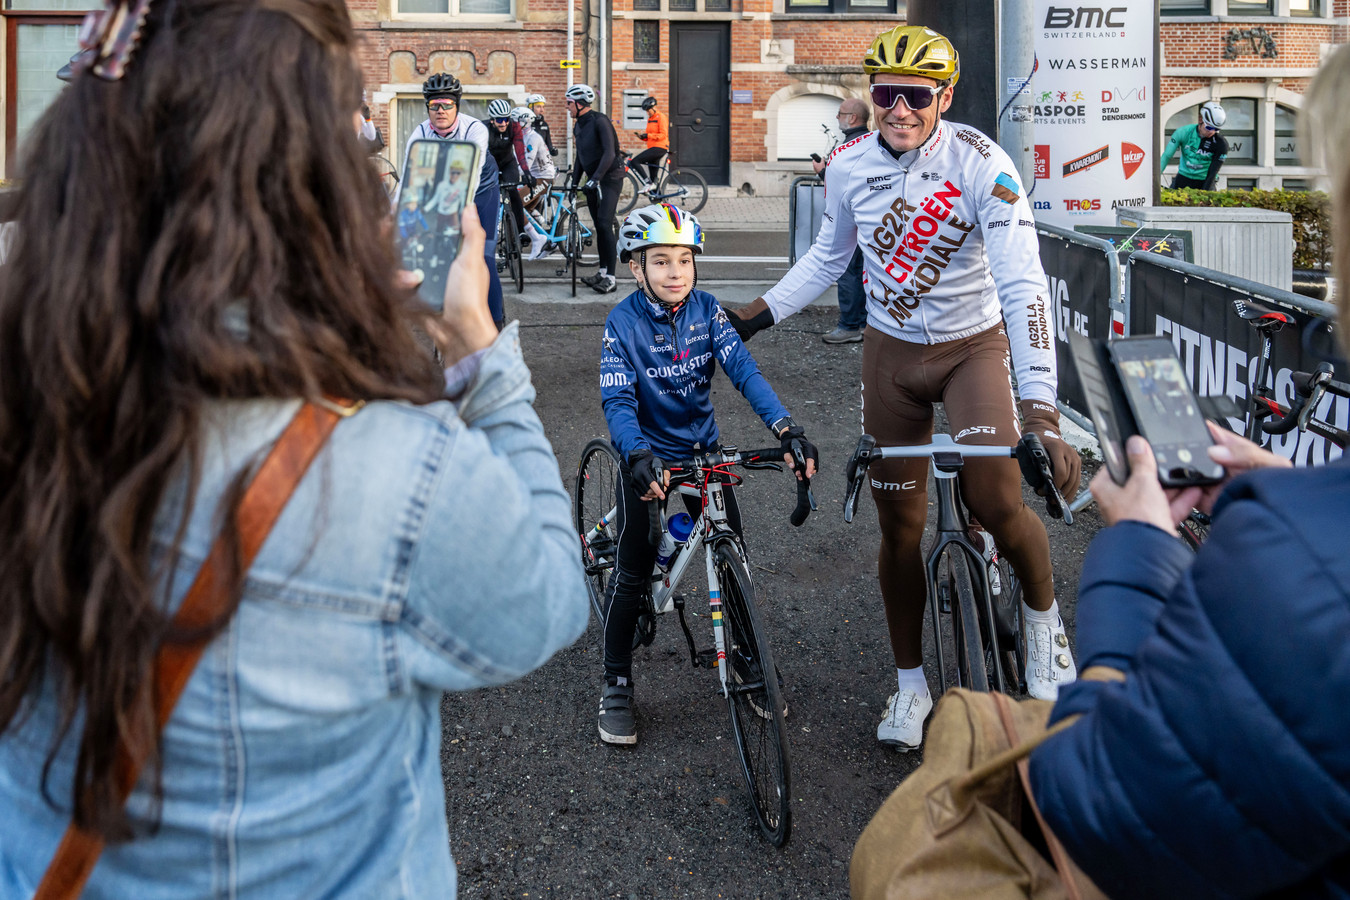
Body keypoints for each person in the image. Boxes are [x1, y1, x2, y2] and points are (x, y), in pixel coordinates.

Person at [0, 0, 589, 894]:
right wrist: (477, 351)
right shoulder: (393, 462)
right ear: (307, 174)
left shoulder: (29, 377)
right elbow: (545, 600)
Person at [1026, 48, 1350, 898]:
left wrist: (1134, 551)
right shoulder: (1303, 529)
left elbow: (1101, 799)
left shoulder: (1290, 558)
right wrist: (1294, 485)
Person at [726, 25, 1082, 750]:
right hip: (891, 356)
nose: (899, 110)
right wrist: (760, 314)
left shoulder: (983, 162)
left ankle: (1046, 626)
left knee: (994, 496)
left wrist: (1041, 408)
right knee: (900, 529)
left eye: (916, 96)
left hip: (970, 349)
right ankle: (910, 686)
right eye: (886, 94)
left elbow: (1022, 285)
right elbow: (830, 255)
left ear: (944, 97)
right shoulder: (849, 165)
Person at [596, 203, 820, 744]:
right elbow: (619, 401)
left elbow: (744, 370)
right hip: (647, 457)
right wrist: (635, 455)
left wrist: (786, 429)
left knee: (732, 551)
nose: (676, 272)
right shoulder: (621, 323)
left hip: (703, 454)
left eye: (684, 261)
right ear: (636, 268)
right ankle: (617, 681)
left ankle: (747, 656)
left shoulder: (708, 312)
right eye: (661, 261)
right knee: (633, 568)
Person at [401, 73, 507, 328]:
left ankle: (496, 322)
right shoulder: (421, 132)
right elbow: (408, 178)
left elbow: (471, 177)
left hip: (481, 187)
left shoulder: (474, 129)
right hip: (443, 184)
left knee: (484, 255)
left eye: (446, 104)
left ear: (456, 106)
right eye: (434, 105)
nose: (440, 110)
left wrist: (457, 214)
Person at [815, 97, 871, 345]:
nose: (837, 117)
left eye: (840, 113)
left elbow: (842, 186)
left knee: (848, 272)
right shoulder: (873, 143)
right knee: (864, 272)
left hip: (850, 220)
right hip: (870, 220)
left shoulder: (847, 148)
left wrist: (822, 171)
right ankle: (864, 324)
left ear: (852, 118)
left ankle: (849, 325)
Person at [566, 83, 625, 295]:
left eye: (569, 103)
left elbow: (609, 153)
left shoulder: (600, 121)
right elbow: (581, 157)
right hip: (593, 179)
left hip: (610, 177)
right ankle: (601, 272)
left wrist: (597, 178)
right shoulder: (578, 125)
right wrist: (574, 182)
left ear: (580, 104)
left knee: (604, 222)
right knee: (599, 227)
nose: (568, 107)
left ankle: (611, 278)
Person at [486, 97, 534, 251]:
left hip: (508, 163)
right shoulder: (483, 129)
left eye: (506, 119)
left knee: (513, 193)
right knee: (489, 194)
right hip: (490, 164)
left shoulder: (514, 127)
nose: (503, 123)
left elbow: (520, 151)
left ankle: (520, 231)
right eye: (499, 120)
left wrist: (526, 172)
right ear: (492, 120)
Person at [512, 105, 557, 260]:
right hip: (536, 177)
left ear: (523, 122)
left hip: (544, 177)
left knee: (515, 203)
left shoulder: (533, 138)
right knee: (526, 209)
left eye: (514, 121)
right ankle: (548, 239)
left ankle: (537, 238)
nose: (511, 124)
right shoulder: (523, 136)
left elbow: (526, 166)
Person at [1160, 100, 1228, 191]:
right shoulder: (1183, 132)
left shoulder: (1221, 143)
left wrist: (1204, 193)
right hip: (1184, 177)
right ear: (1200, 120)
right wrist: (1154, 180)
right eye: (1209, 127)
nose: (1212, 132)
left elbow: (1213, 172)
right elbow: (1166, 156)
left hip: (1205, 179)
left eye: (1216, 129)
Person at [629, 96, 669, 186]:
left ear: (654, 108)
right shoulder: (650, 119)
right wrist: (643, 137)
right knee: (653, 177)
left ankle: (648, 183)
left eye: (648, 110)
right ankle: (657, 196)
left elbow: (663, 135)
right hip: (652, 147)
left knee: (634, 162)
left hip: (660, 147)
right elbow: (650, 136)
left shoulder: (661, 117)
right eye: (646, 111)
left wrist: (649, 135)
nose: (647, 113)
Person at [527, 92, 559, 157]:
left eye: (543, 107)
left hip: (542, 158)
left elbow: (548, 144)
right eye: (538, 107)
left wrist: (552, 150)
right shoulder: (525, 124)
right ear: (530, 107)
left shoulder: (544, 124)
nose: (542, 110)